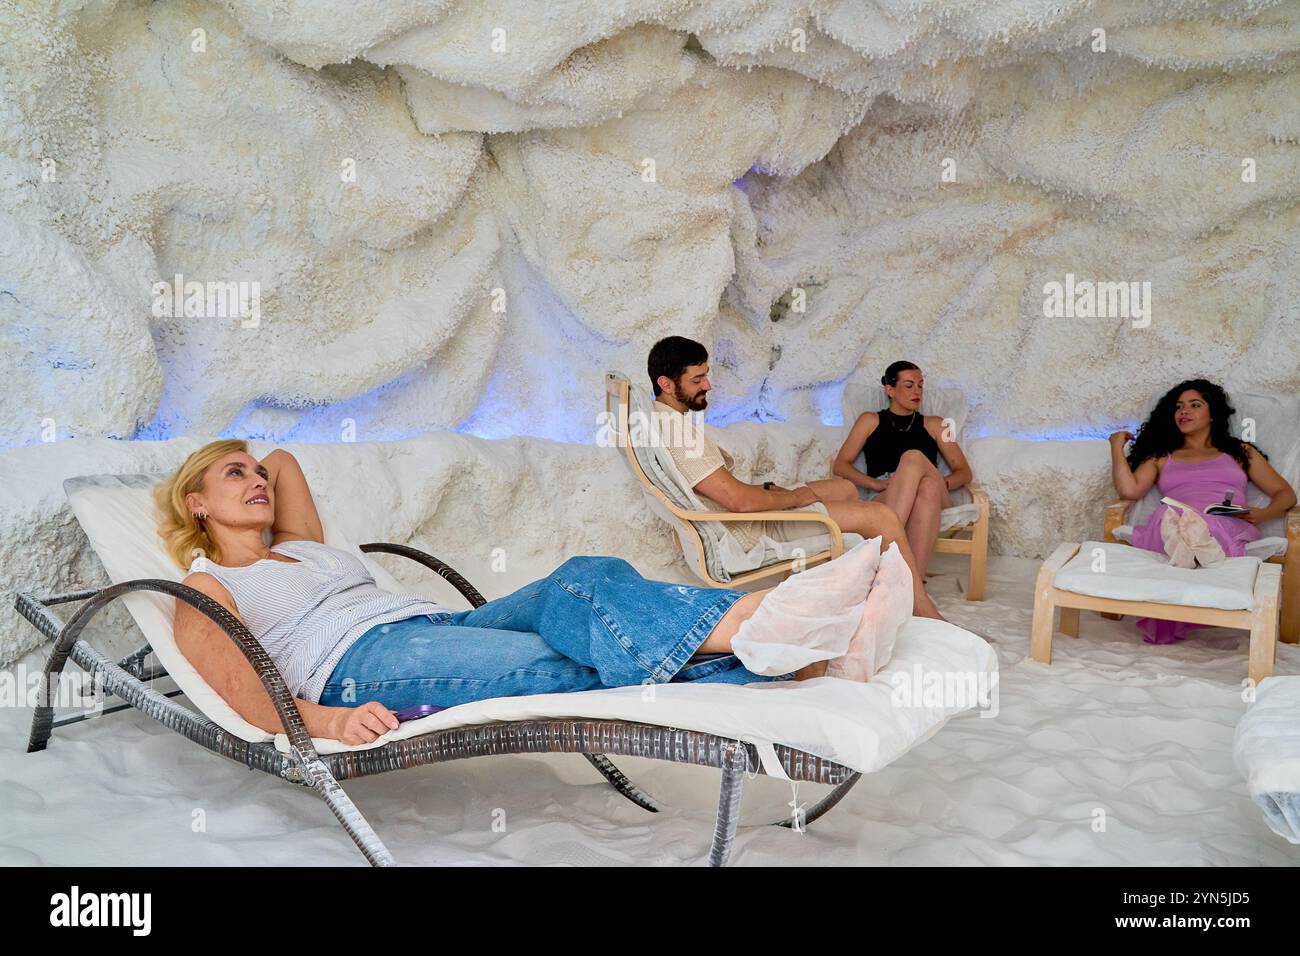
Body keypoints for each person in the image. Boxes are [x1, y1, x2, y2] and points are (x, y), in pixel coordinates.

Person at [155, 440, 906, 745]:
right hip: (360, 663)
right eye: (234, 476)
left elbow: (284, 460)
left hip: (433, 621)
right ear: (195, 503)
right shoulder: (209, 583)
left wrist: (244, 469)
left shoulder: (300, 548)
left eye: (254, 475)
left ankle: (781, 636)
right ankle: (790, 636)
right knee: (566, 666)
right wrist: (324, 722)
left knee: (584, 580)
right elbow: (235, 687)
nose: (258, 480)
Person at [647, 336, 942, 619]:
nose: (707, 385)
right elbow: (739, 503)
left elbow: (725, 492)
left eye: (706, 376)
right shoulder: (676, 434)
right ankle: (924, 610)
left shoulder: (664, 422)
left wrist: (770, 491)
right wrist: (796, 498)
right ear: (667, 384)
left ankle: (886, 569)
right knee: (881, 517)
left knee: (843, 488)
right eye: (697, 380)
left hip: (740, 518)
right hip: (750, 532)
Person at [1109, 378, 1296, 643]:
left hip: (1225, 520)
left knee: (1212, 519)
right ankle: (1191, 548)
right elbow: (1129, 491)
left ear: (1212, 414)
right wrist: (1116, 447)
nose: (1184, 411)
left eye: (1194, 405)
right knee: (1171, 516)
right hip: (1173, 520)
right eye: (1179, 407)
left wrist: (1261, 514)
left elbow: (1286, 493)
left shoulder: (1240, 452)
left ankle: (1190, 550)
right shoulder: (1162, 455)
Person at [832, 361, 973, 578]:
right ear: (890, 390)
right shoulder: (869, 420)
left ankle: (882, 559)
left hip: (937, 489)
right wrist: (875, 483)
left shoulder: (938, 424)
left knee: (915, 460)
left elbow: (964, 471)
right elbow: (841, 464)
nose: (917, 391)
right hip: (885, 494)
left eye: (920, 385)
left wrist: (937, 480)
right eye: (909, 385)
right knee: (926, 488)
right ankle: (913, 583)